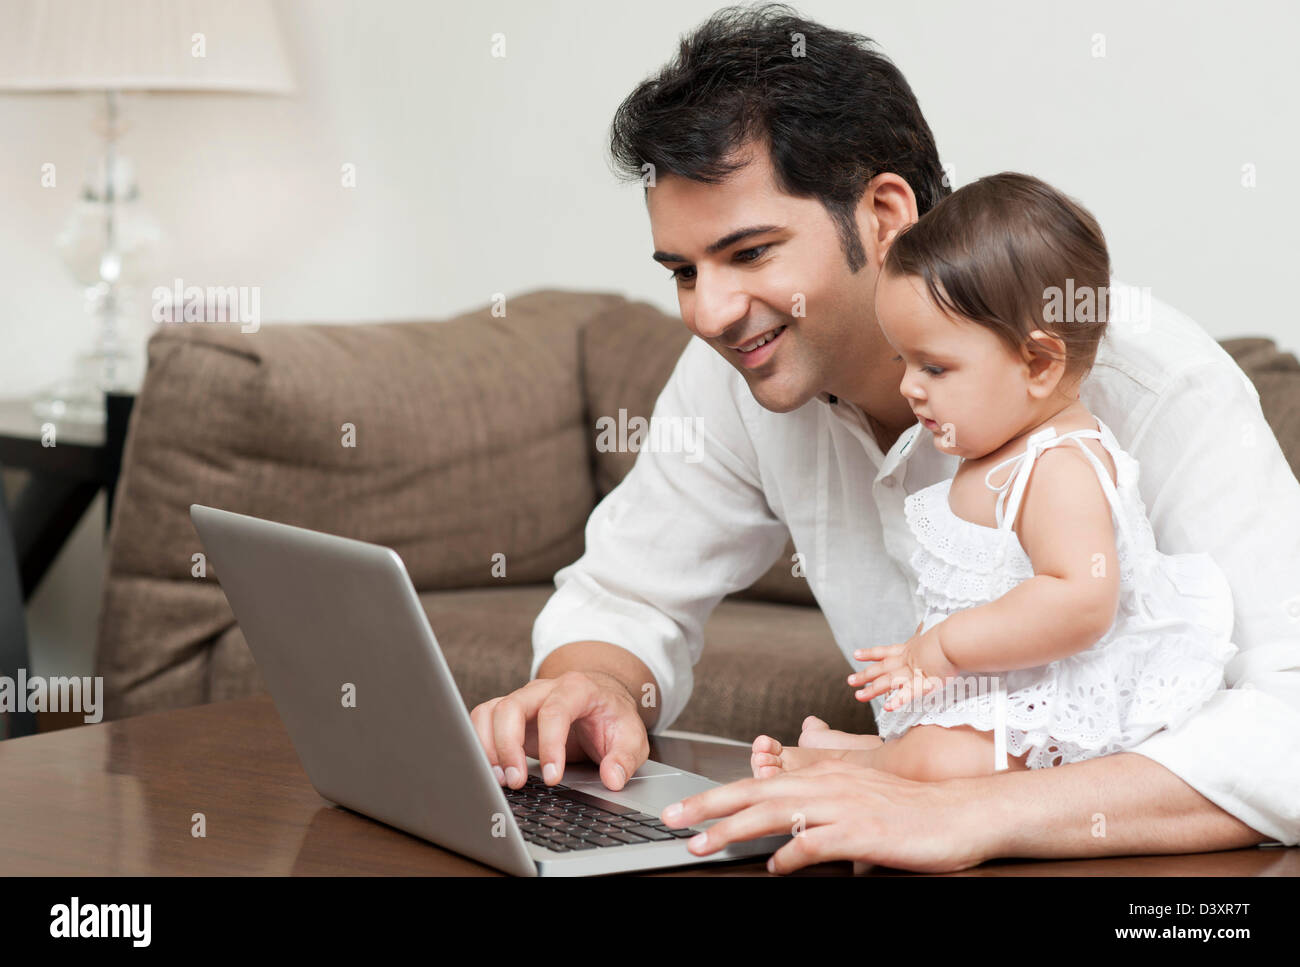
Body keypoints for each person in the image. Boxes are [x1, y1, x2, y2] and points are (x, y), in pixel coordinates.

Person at [469, 4, 1300, 873]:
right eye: (683, 271)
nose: (706, 312)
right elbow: (629, 595)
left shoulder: (1145, 382)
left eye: (750, 252)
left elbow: (1291, 720)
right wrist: (592, 682)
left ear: (885, 213)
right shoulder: (737, 371)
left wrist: (971, 811)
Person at [749, 172, 1238, 783]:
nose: (908, 387)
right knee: (935, 743)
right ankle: (867, 756)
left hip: (1062, 702)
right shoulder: (996, 448)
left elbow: (1081, 600)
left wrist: (945, 648)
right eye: (904, 360)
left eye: (935, 366)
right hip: (997, 695)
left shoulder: (1059, 464)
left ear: (1037, 363)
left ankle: (859, 772)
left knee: (942, 759)